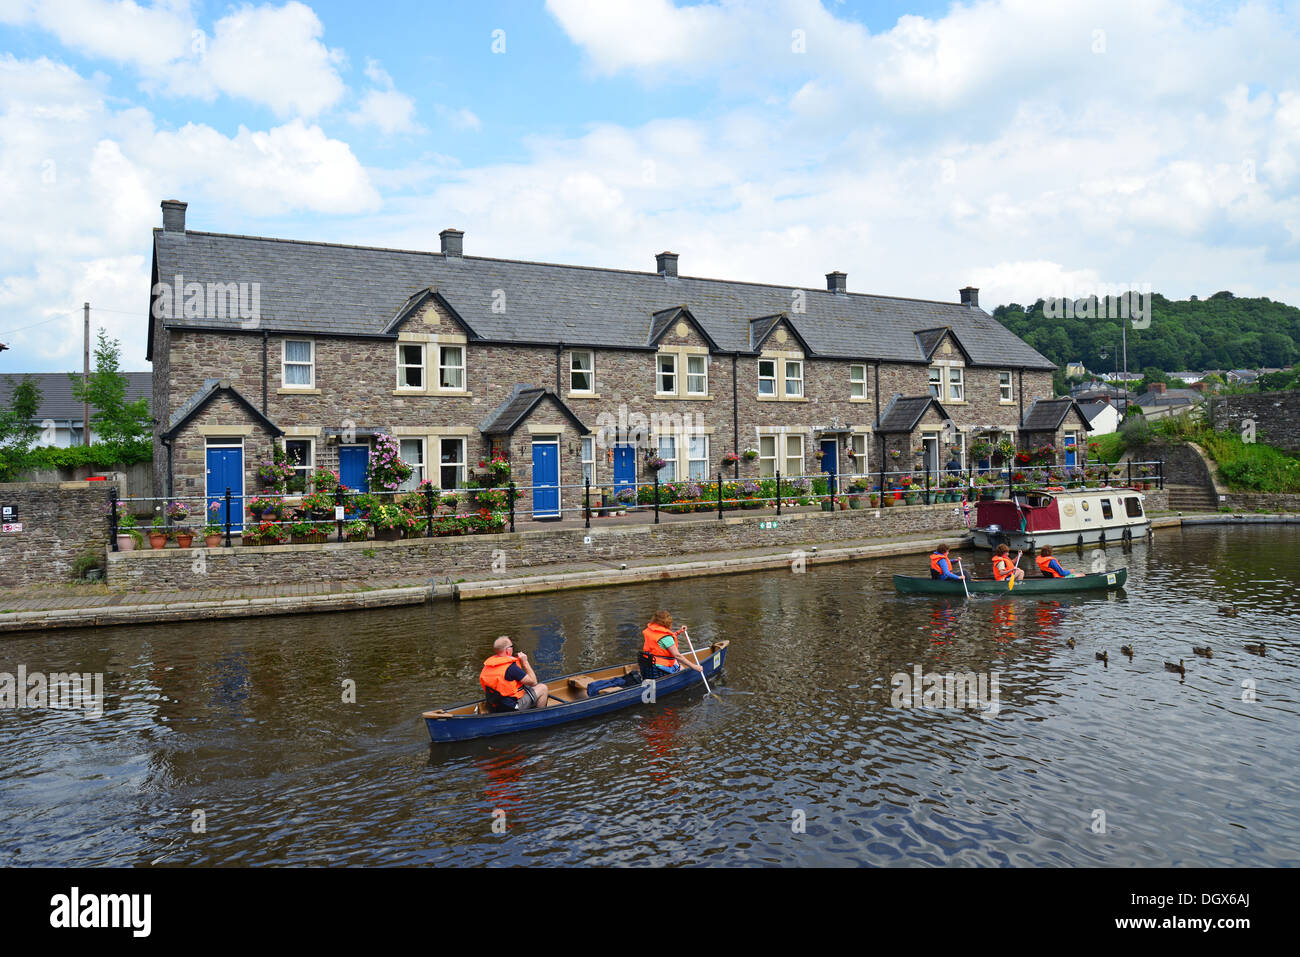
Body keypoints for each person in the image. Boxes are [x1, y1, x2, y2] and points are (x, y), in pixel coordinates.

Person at [479, 636, 549, 713]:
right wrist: (525, 662)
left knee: (526, 686)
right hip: (511, 707)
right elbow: (533, 682)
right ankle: (538, 715)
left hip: (494, 704)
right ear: (507, 650)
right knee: (543, 688)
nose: (513, 648)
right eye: (512, 646)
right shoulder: (511, 668)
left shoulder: (488, 666)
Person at [640, 610, 705, 678]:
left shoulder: (651, 630)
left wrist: (679, 632)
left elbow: (663, 640)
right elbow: (677, 656)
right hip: (659, 667)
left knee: (675, 661)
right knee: (679, 664)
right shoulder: (666, 637)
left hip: (649, 662)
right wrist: (694, 667)